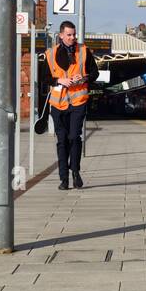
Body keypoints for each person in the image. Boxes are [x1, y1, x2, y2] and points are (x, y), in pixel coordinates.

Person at [42, 20, 98, 190]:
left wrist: (83, 78)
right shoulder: (50, 54)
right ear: (61, 36)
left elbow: (95, 73)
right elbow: (44, 78)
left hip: (78, 102)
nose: (73, 37)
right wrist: (59, 80)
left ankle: (75, 172)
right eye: (69, 35)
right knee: (62, 141)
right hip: (58, 104)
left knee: (74, 137)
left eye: (74, 34)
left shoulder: (84, 51)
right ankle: (63, 178)